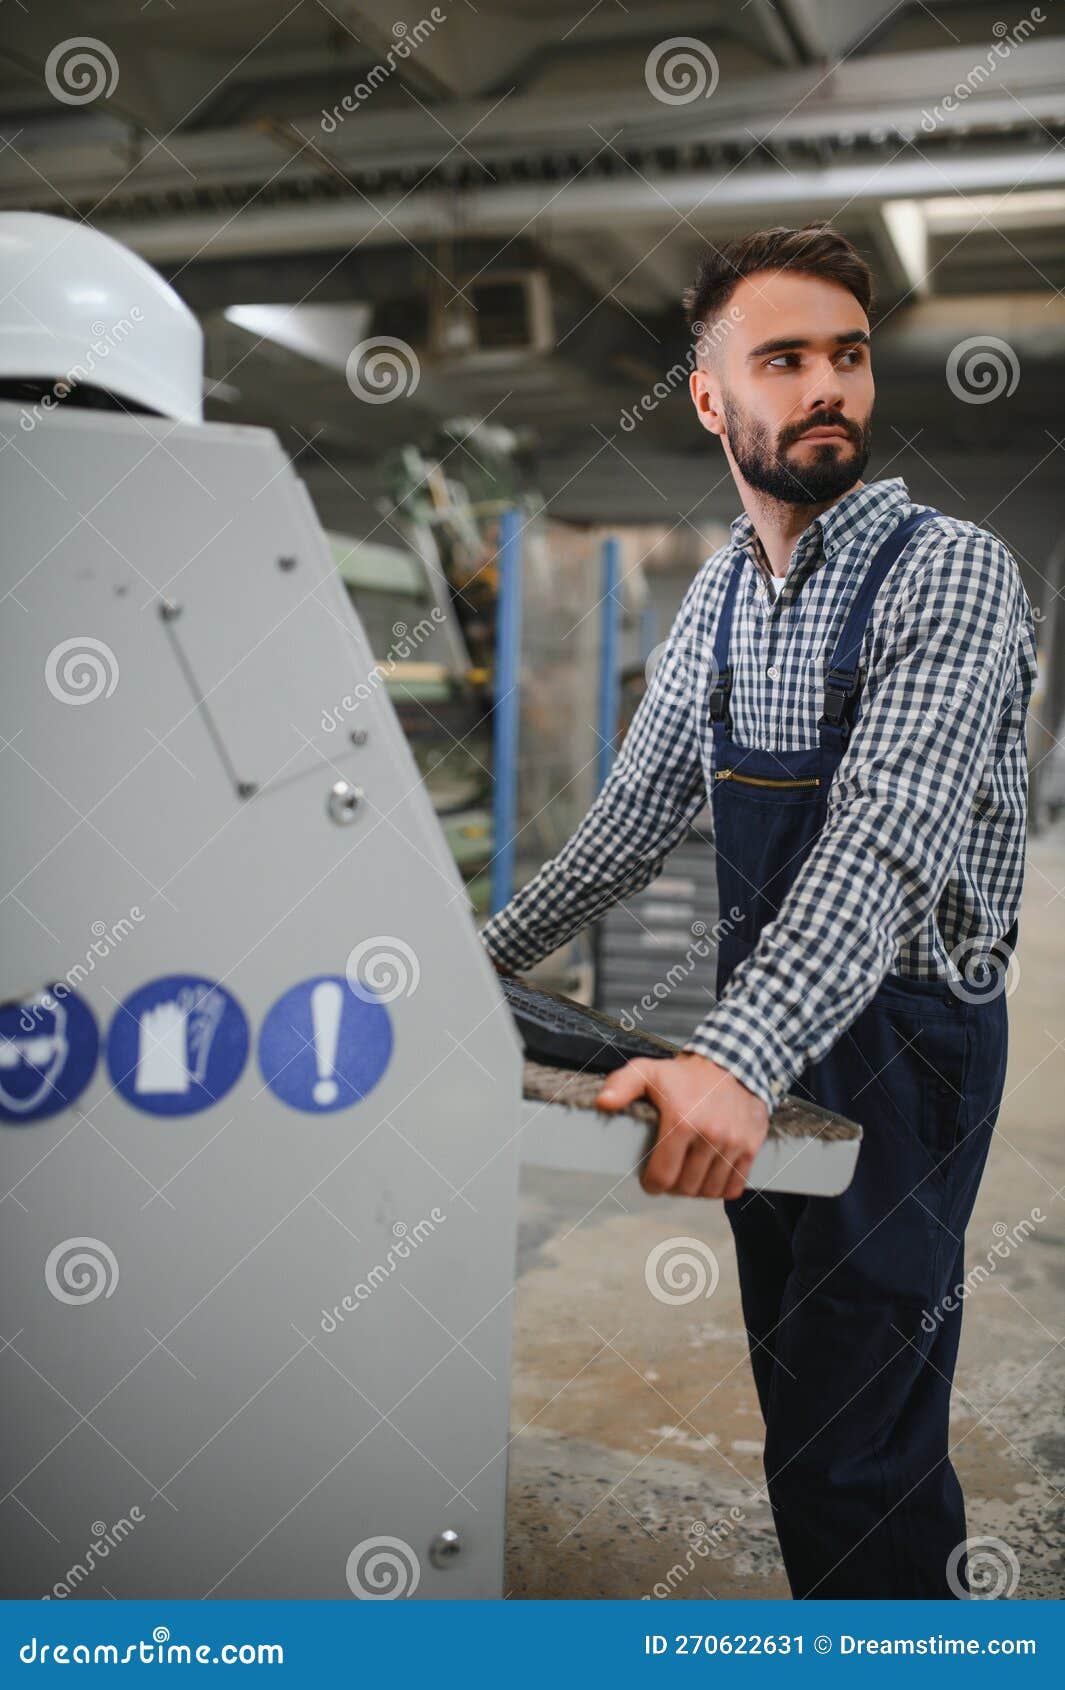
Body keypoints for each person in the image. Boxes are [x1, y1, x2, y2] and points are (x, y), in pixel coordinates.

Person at [479, 222, 1037, 1600]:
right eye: (782, 358)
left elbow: (882, 845)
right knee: (805, 1390)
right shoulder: (723, 597)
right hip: (777, 1028)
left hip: (902, 1039)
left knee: (862, 1429)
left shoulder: (946, 571)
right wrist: (456, 960)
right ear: (712, 398)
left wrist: (731, 1052)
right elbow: (620, 829)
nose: (827, 385)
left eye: (846, 355)